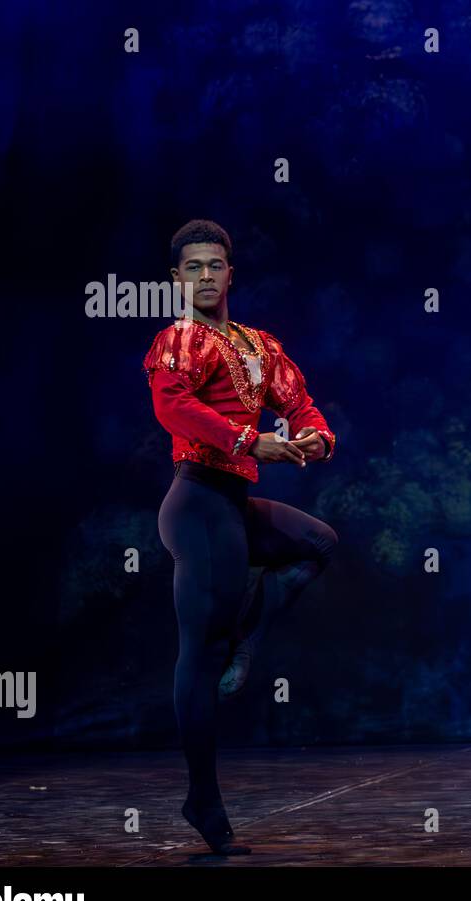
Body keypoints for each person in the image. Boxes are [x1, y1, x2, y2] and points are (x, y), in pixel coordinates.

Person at [143, 219, 339, 854]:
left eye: (215, 265)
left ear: (231, 273)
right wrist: (251, 440)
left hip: (232, 502)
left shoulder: (258, 344)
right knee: (199, 658)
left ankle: (246, 636)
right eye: (192, 267)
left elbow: (300, 403)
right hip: (197, 501)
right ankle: (203, 800)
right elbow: (173, 406)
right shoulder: (178, 341)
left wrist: (313, 439)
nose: (205, 276)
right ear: (177, 278)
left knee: (318, 544)